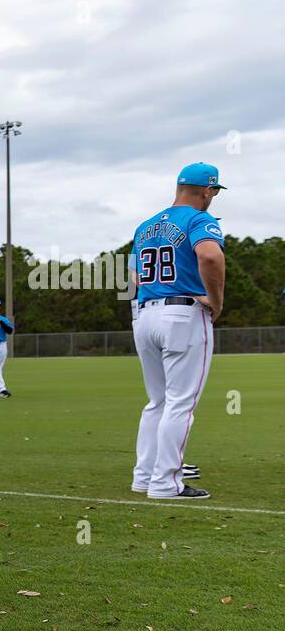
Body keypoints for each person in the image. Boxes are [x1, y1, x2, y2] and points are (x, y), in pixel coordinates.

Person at [130, 163, 226, 500]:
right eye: (213, 191)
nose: (212, 197)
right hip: (183, 314)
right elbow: (210, 257)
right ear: (205, 190)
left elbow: (134, 278)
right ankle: (165, 483)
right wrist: (216, 300)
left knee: (157, 401)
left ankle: (144, 477)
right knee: (180, 404)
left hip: (145, 314)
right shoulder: (200, 220)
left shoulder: (146, 226)